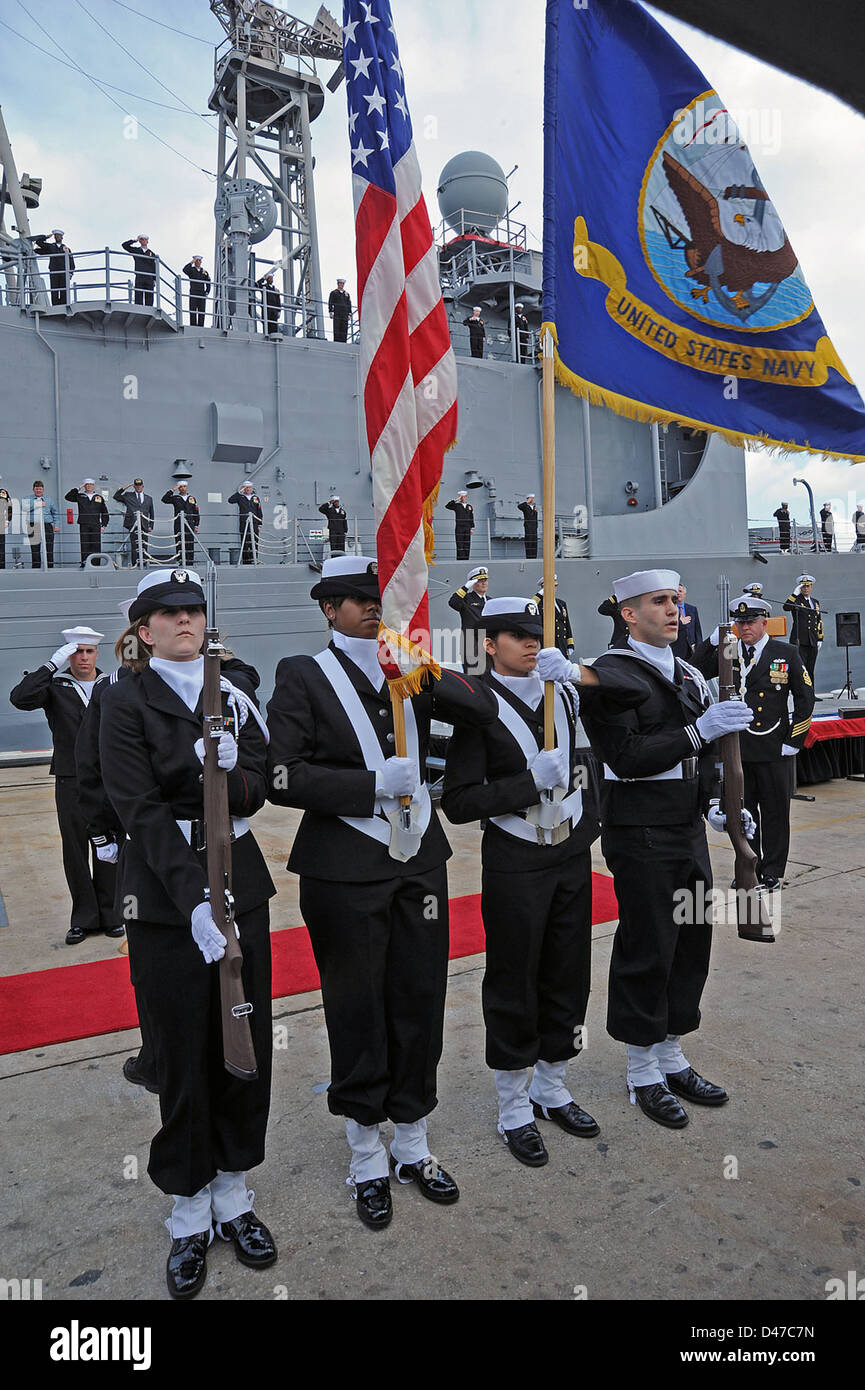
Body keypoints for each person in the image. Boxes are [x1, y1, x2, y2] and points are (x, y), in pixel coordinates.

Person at [266, 556, 496, 1230]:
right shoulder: (303, 675)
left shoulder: (411, 668)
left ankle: (413, 1143)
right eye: (357, 599)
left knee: (419, 1000)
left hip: (418, 861)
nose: (372, 607)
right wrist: (366, 785)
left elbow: (480, 707)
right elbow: (281, 773)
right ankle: (366, 1152)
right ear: (328, 609)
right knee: (357, 1005)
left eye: (381, 598)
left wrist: (420, 663)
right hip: (344, 867)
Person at [99, 567, 277, 1299]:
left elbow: (261, 783)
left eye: (193, 611)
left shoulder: (230, 692)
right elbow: (137, 807)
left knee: (244, 1038)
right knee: (179, 1047)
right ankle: (188, 1209)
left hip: (240, 874)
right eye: (167, 614)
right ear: (142, 630)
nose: (184, 622)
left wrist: (236, 776)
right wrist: (194, 901)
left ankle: (235, 1194)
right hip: (169, 894)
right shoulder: (123, 700)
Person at [570, 570, 755, 1128]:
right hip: (641, 829)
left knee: (692, 940)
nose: (675, 610)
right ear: (628, 613)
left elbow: (700, 760)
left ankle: (671, 1051)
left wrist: (720, 804)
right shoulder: (609, 675)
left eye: (676, 600)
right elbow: (626, 757)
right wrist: (698, 733)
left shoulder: (690, 672)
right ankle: (641, 1070)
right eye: (659, 602)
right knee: (649, 943)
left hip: (686, 825)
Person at [441, 597, 601, 1167]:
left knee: (567, 971)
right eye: (516, 634)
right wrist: (527, 783)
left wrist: (590, 828)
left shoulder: (567, 694)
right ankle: (512, 1103)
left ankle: (552, 1084)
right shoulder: (478, 709)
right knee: (514, 976)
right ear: (489, 644)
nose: (532, 643)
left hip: (571, 855)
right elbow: (458, 803)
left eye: (538, 632)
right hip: (515, 857)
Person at [10, 626, 124, 946]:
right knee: (75, 848)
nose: (83, 657)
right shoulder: (56, 686)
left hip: (109, 778)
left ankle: (111, 915)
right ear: (68, 654)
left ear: (97, 654)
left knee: (111, 846)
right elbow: (20, 698)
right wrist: (50, 665)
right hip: (71, 777)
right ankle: (84, 919)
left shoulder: (111, 684)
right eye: (76, 651)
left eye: (88, 651)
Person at [692, 592, 814, 892]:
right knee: (744, 813)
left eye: (751, 622)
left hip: (773, 747)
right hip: (739, 749)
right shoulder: (729, 651)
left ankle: (772, 871)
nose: (745, 628)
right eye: (740, 622)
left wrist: (794, 740)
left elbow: (805, 698)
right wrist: (711, 641)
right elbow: (693, 670)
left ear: (764, 623)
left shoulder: (785, 652)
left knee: (774, 814)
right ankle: (752, 866)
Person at [783, 573, 823, 692]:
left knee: (810, 668)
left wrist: (820, 638)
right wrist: (794, 594)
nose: (806, 588)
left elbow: (819, 620)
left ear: (811, 587)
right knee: (801, 669)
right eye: (803, 586)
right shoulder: (796, 600)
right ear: (800, 588)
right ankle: (801, 693)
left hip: (812, 640)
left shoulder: (815, 602)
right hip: (800, 640)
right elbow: (786, 607)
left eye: (808, 586)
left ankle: (811, 693)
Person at [447, 565, 489, 674]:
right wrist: (466, 587)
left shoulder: (490, 601)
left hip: (488, 643)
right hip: (471, 644)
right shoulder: (467, 599)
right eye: (480, 581)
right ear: (473, 583)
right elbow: (453, 603)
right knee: (473, 675)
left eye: (485, 580)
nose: (484, 583)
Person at [64, 479, 109, 567]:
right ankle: (85, 564)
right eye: (87, 484)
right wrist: (78, 488)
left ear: (93, 486)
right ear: (84, 486)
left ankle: (96, 564)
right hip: (84, 524)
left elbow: (104, 512)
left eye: (91, 484)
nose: (89, 486)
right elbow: (68, 497)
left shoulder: (99, 497)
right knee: (85, 545)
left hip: (96, 524)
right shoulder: (80, 496)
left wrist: (103, 525)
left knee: (96, 545)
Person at [113, 478, 154, 566]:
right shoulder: (128, 495)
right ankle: (135, 563)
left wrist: (151, 525)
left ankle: (145, 562)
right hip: (132, 524)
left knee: (144, 545)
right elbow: (116, 496)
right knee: (134, 545)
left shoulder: (149, 498)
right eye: (136, 485)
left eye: (140, 485)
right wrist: (125, 487)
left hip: (144, 524)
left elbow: (152, 512)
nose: (138, 487)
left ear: (143, 486)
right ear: (134, 486)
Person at [532, 576, 574, 659]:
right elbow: (531, 604)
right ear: (543, 588)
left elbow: (566, 624)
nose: (554, 589)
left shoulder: (561, 604)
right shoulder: (538, 604)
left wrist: (570, 644)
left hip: (562, 645)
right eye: (551, 587)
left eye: (555, 586)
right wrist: (540, 594)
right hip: (547, 645)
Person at [33, 229, 75, 306]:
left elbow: (71, 261)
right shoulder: (51, 246)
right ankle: (55, 305)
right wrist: (46, 237)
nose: (57, 237)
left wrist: (71, 272)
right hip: (54, 271)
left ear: (62, 237)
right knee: (54, 289)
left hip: (64, 271)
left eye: (59, 235)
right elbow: (39, 243)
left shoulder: (66, 249)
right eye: (56, 235)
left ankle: (64, 305)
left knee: (64, 289)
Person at [161, 483, 199, 566]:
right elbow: (164, 499)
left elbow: (196, 512)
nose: (182, 488)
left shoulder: (192, 498)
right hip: (178, 524)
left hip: (189, 524)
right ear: (178, 488)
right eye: (180, 487)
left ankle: (189, 564)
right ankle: (180, 562)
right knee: (179, 543)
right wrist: (172, 490)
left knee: (190, 544)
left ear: (187, 487)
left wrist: (196, 525)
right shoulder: (175, 498)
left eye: (184, 486)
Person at [24, 481, 58, 568]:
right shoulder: (27, 498)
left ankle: (50, 568)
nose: (38, 491)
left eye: (40, 489)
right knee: (35, 548)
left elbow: (55, 512)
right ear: (33, 489)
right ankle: (36, 568)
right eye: (36, 489)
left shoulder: (49, 499)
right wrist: (37, 504)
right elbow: (24, 508)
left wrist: (56, 524)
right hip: (33, 525)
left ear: (43, 490)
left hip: (47, 525)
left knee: (49, 547)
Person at [229, 483, 263, 564]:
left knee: (254, 542)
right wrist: (239, 492)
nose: (248, 489)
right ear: (244, 488)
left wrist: (259, 524)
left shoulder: (255, 498)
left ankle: (254, 559)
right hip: (244, 522)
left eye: (249, 487)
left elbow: (259, 511)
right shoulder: (240, 497)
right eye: (246, 487)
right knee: (245, 542)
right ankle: (246, 561)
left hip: (254, 523)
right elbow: (230, 500)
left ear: (251, 488)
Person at [670, 581, 703, 660]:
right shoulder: (670, 610)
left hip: (691, 650)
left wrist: (700, 649)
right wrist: (681, 623)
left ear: (684, 594)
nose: (678, 593)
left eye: (680, 591)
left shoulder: (692, 609)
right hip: (676, 650)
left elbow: (697, 630)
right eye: (676, 591)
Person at [122, 235, 157, 306]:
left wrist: (154, 279)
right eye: (141, 239)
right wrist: (134, 240)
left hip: (149, 277)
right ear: (140, 241)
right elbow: (125, 245)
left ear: (147, 241)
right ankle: (138, 309)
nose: (143, 241)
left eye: (145, 239)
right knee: (138, 294)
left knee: (149, 295)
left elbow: (154, 266)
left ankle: (149, 310)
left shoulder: (151, 254)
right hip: (139, 275)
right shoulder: (136, 250)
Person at [182, 256, 211, 327]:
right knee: (193, 310)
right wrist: (191, 262)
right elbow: (184, 270)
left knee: (202, 311)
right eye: (197, 260)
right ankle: (193, 325)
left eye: (199, 261)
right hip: (193, 292)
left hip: (201, 293)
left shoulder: (204, 272)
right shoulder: (191, 270)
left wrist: (207, 291)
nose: (198, 262)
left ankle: (201, 326)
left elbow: (208, 282)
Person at [445, 490, 474, 561]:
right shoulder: (457, 506)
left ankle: (466, 559)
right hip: (459, 527)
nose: (463, 498)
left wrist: (472, 528)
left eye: (464, 497)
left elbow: (471, 517)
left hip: (467, 527)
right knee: (459, 543)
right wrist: (456, 500)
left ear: (466, 497)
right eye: (461, 497)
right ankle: (460, 559)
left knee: (467, 543)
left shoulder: (469, 506)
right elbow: (447, 506)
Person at [328, 277, 352, 342]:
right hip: (337, 312)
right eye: (340, 283)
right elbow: (331, 302)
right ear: (338, 284)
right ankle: (337, 340)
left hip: (345, 313)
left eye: (342, 284)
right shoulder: (334, 293)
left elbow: (349, 304)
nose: (341, 285)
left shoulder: (346, 294)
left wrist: (349, 314)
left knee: (344, 327)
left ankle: (344, 340)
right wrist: (331, 312)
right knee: (337, 327)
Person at [517, 494, 539, 559]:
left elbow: (535, 517)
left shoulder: (534, 507)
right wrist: (527, 502)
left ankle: (534, 557)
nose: (532, 499)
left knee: (534, 542)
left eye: (533, 498)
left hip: (534, 527)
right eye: (531, 498)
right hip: (528, 527)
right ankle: (529, 557)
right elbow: (519, 506)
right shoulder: (525, 506)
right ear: (528, 498)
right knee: (529, 541)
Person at [0, 478, 11, 570]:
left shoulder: (3, 492)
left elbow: (9, 507)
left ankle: (1, 568)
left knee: (1, 547)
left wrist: (7, 520)